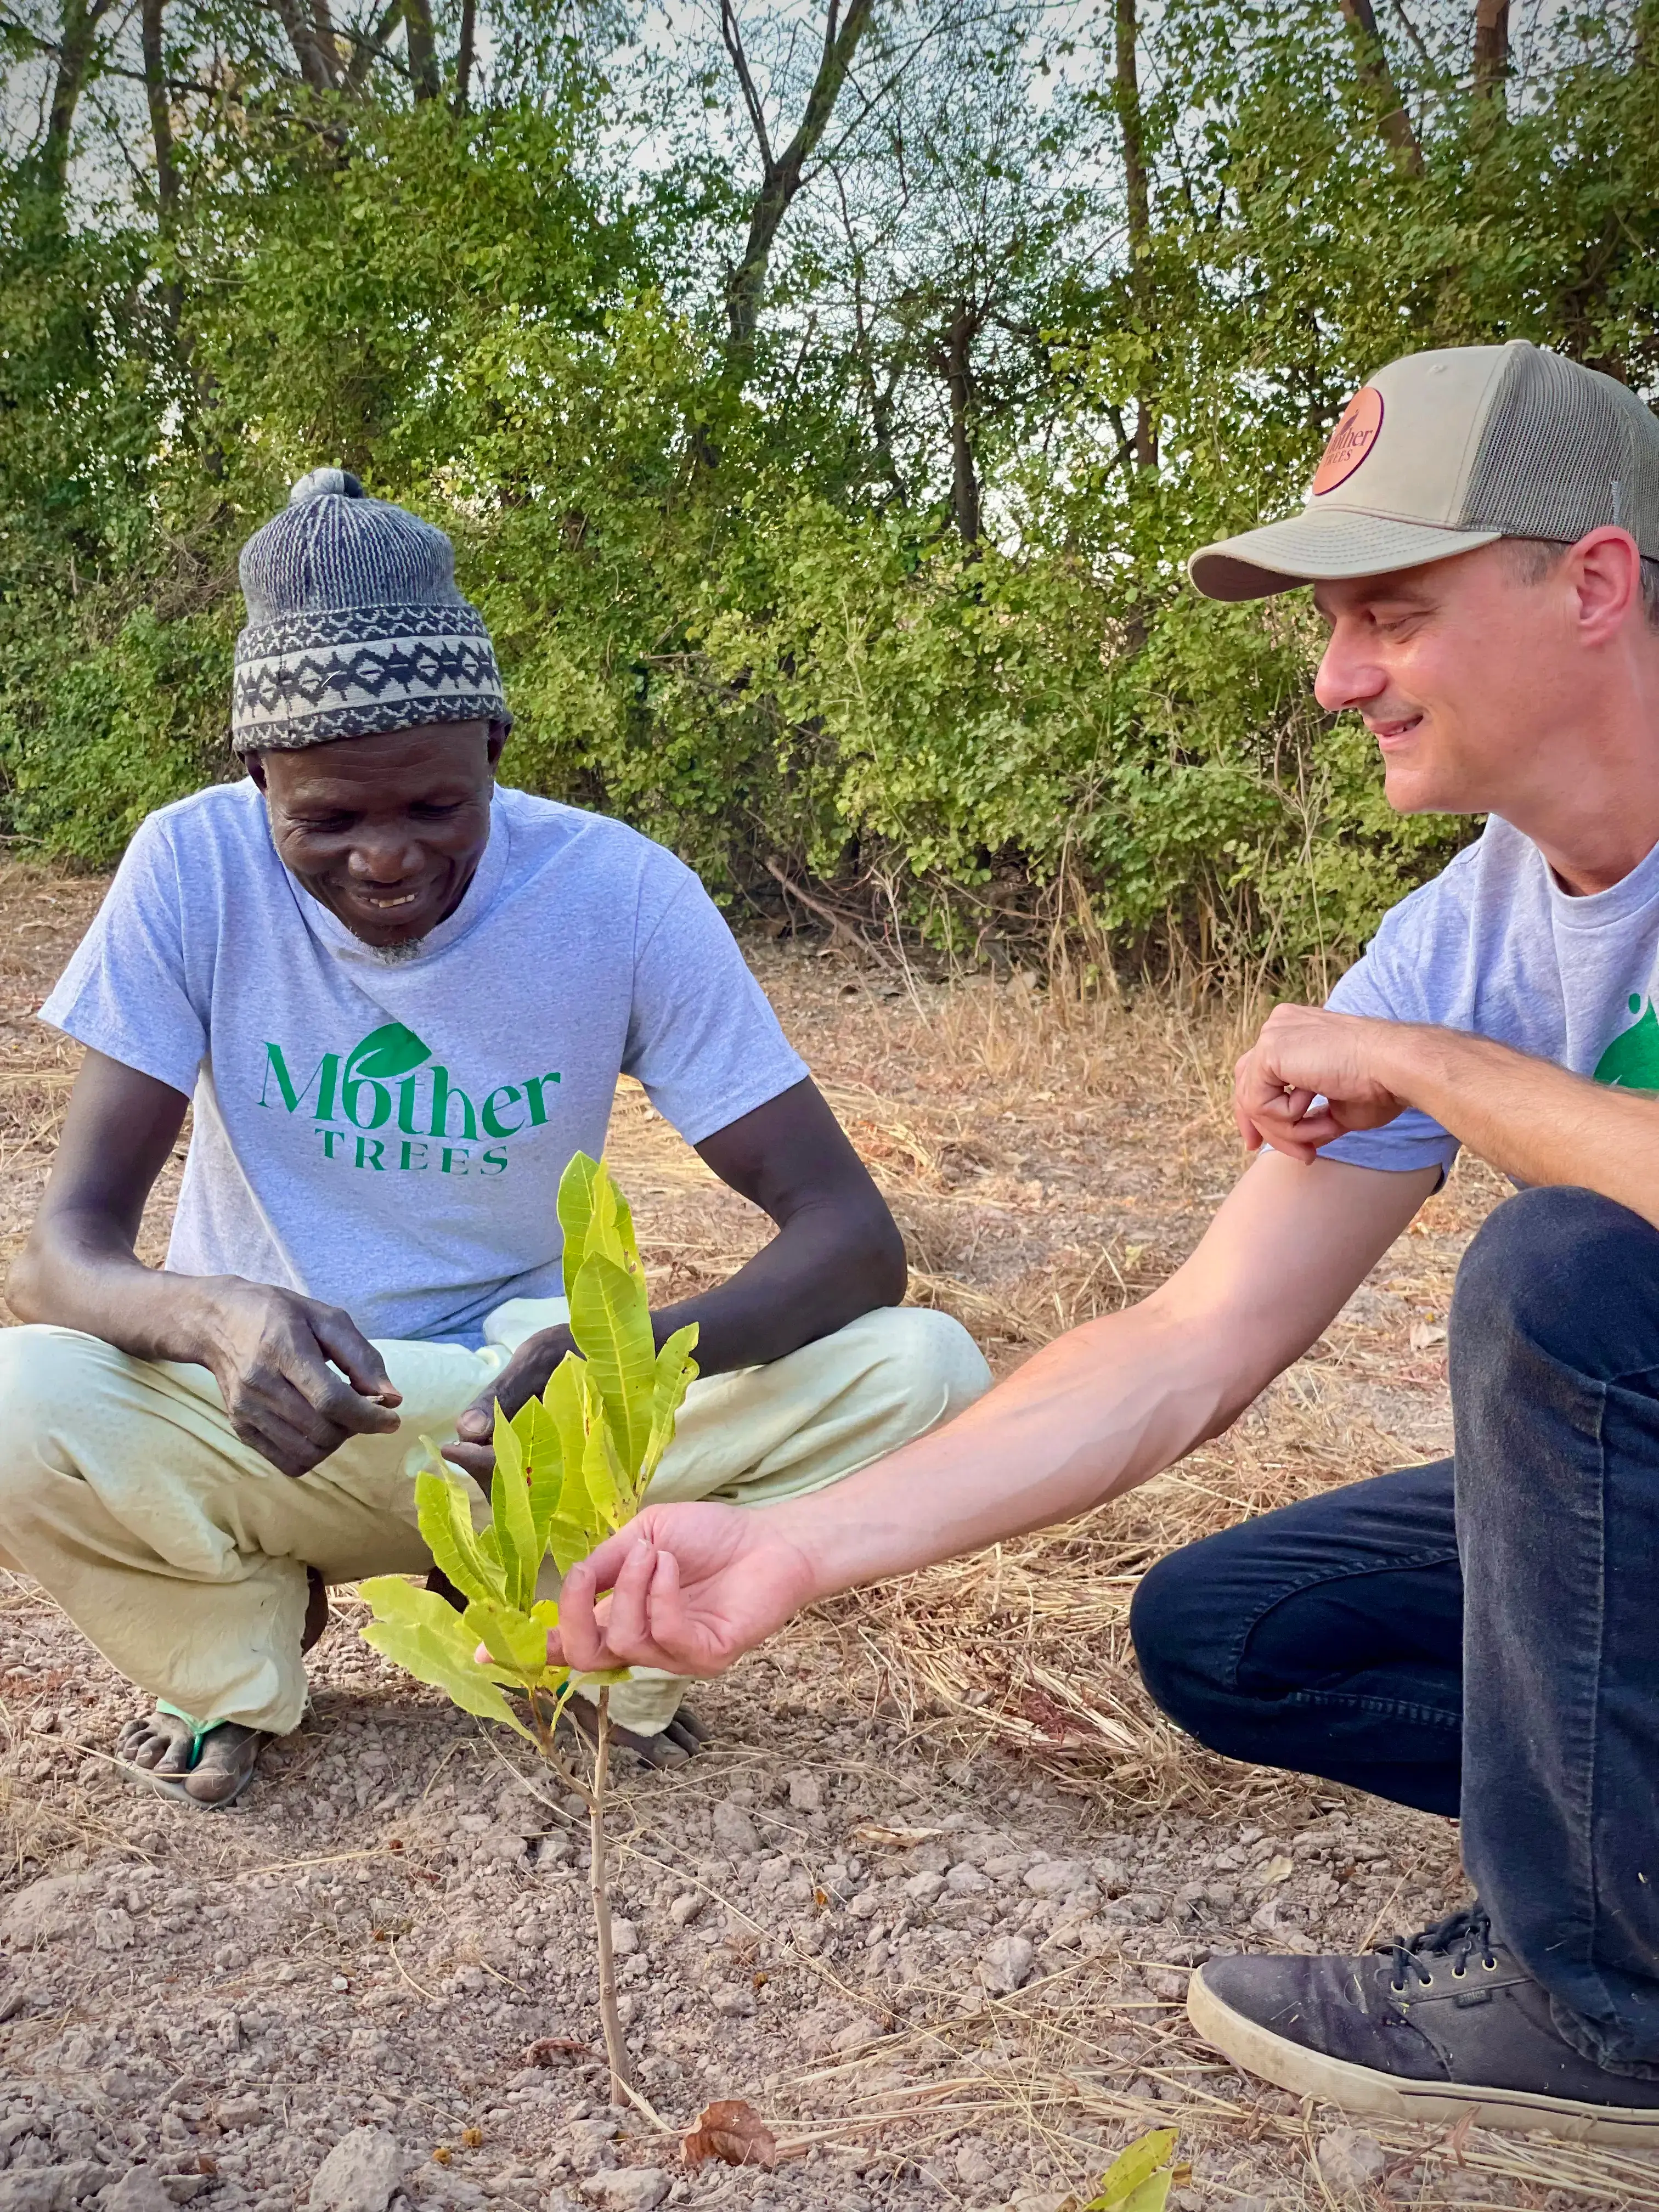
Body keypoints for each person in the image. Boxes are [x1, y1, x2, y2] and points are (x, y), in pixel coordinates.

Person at [543, 341, 1659, 2145]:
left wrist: (1427, 1069)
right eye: (1327, 622)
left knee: (1561, 1283)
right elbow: (1189, 1343)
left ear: (1589, 581)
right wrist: (793, 1547)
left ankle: (1605, 2017)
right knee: (1235, 1632)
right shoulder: (1470, 930)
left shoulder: (1429, 1017)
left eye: (1390, 610)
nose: (1333, 677)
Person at [0, 469, 989, 1807]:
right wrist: (220, 1320)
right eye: (329, 819)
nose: (388, 858)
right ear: (256, 781)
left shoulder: (620, 892)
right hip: (280, 1416)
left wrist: (607, 1360)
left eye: (432, 808)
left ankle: (582, 1637)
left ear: (493, 754)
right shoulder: (190, 868)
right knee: (19, 1400)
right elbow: (59, 1259)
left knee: (926, 1371)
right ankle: (230, 1655)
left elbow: (854, 1242)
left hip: (529, 1423)